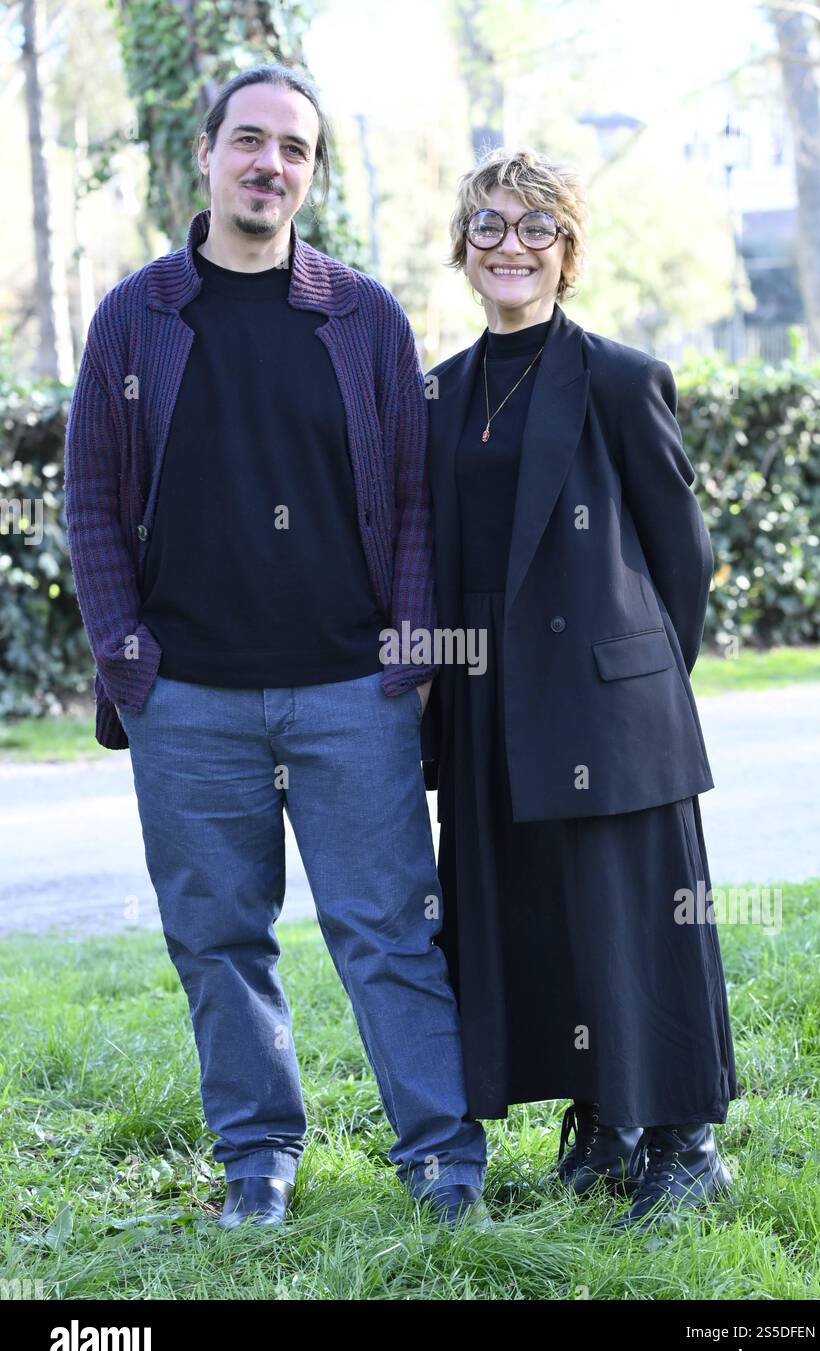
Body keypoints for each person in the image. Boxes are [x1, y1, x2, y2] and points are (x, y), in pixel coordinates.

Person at [63, 64, 490, 1232]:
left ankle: (443, 1157)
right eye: (248, 142)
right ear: (204, 155)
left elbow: (411, 500)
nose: (269, 165)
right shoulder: (134, 315)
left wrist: (403, 655)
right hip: (187, 699)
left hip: (352, 692)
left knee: (388, 931)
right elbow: (91, 502)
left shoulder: (362, 317)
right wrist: (128, 662)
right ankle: (256, 1158)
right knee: (216, 937)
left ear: (310, 171)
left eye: (293, 149)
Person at [420, 147, 738, 1231]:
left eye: (534, 227)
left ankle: (686, 1142)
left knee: (635, 922)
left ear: (566, 251)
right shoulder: (437, 393)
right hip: (491, 712)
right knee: (544, 922)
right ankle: (601, 1123)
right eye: (489, 227)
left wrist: (634, 680)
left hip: (611, 705)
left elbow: (679, 557)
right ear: (462, 251)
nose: (511, 245)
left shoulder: (616, 375)